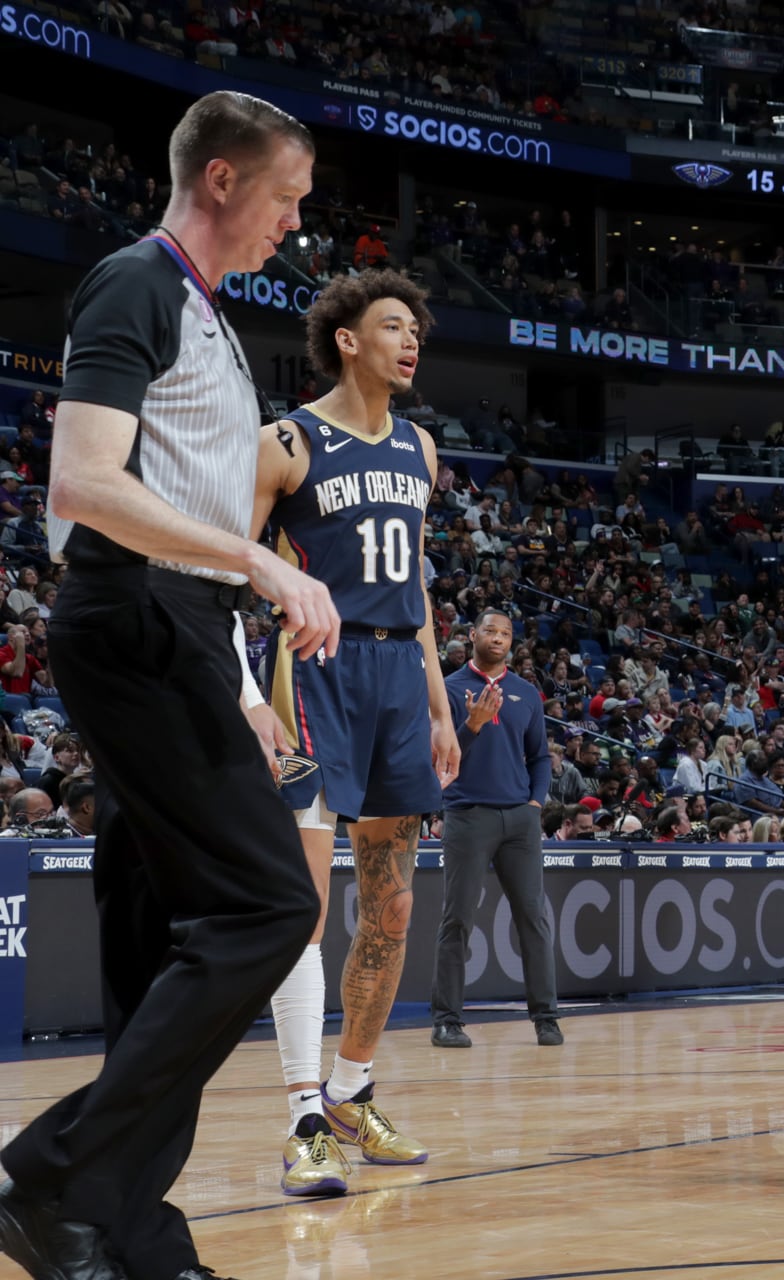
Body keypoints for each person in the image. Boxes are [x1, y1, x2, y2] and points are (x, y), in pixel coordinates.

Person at [0, 91, 340, 1280]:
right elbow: (87, 483)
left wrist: (237, 630)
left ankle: (126, 1229)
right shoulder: (135, 284)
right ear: (224, 181)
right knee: (266, 904)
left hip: (182, 623)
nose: (293, 225)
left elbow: (185, 501)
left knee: (158, 940)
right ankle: (48, 1173)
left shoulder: (207, 315)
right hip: (135, 616)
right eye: (287, 197)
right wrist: (252, 559)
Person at [255, 269, 459, 1196]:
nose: (410, 340)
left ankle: (351, 1088)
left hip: (395, 681)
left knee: (392, 908)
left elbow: (414, 587)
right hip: (315, 670)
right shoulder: (287, 440)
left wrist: (441, 703)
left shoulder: (419, 449)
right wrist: (251, 701)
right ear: (346, 339)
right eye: (392, 325)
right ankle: (302, 1119)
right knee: (307, 907)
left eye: (415, 328)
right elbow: (233, 567)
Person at [432, 607, 560, 1048]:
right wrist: (471, 725)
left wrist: (535, 803)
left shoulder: (526, 692)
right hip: (468, 815)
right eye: (491, 630)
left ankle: (546, 1018)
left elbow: (540, 756)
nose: (499, 637)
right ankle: (447, 1020)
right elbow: (439, 759)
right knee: (458, 920)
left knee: (533, 918)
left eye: (506, 632)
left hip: (519, 820)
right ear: (472, 636)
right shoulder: (448, 690)